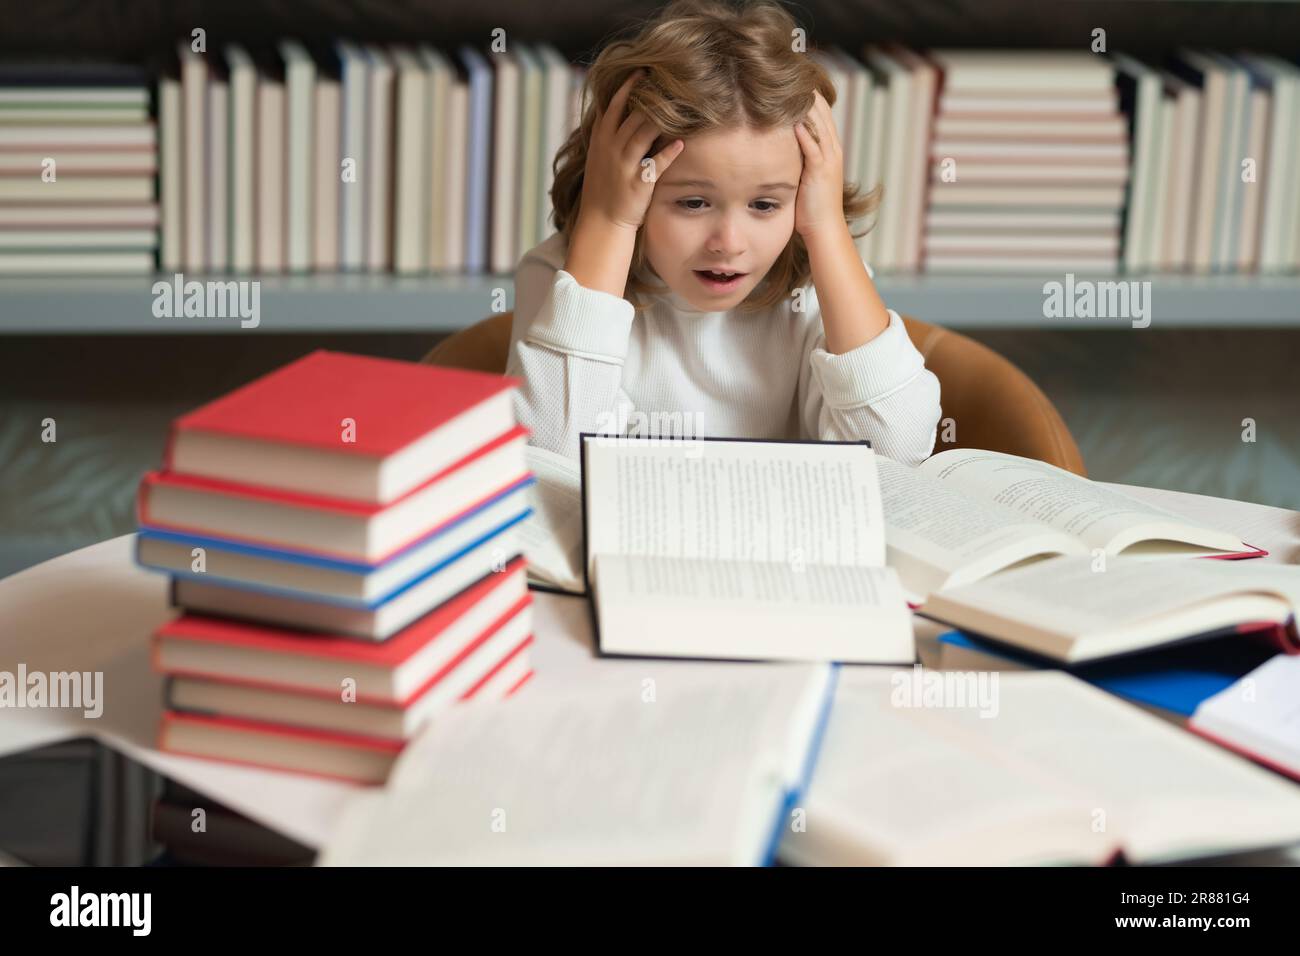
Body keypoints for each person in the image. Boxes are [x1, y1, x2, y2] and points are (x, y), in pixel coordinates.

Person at [507, 0, 942, 467]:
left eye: (765, 204)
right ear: (623, 184)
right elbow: (549, 454)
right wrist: (608, 223)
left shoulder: (817, 286)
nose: (729, 242)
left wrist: (828, 228)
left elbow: (899, 451)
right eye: (693, 203)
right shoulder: (560, 276)